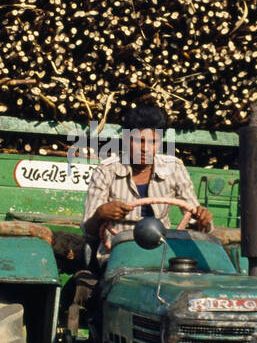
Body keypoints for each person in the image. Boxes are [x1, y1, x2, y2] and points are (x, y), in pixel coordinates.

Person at [81, 101, 213, 256]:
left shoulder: (174, 168)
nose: (145, 148)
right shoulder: (106, 171)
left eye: (153, 142)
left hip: (163, 252)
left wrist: (203, 219)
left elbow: (195, 217)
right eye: (139, 141)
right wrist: (100, 214)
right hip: (117, 253)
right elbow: (88, 230)